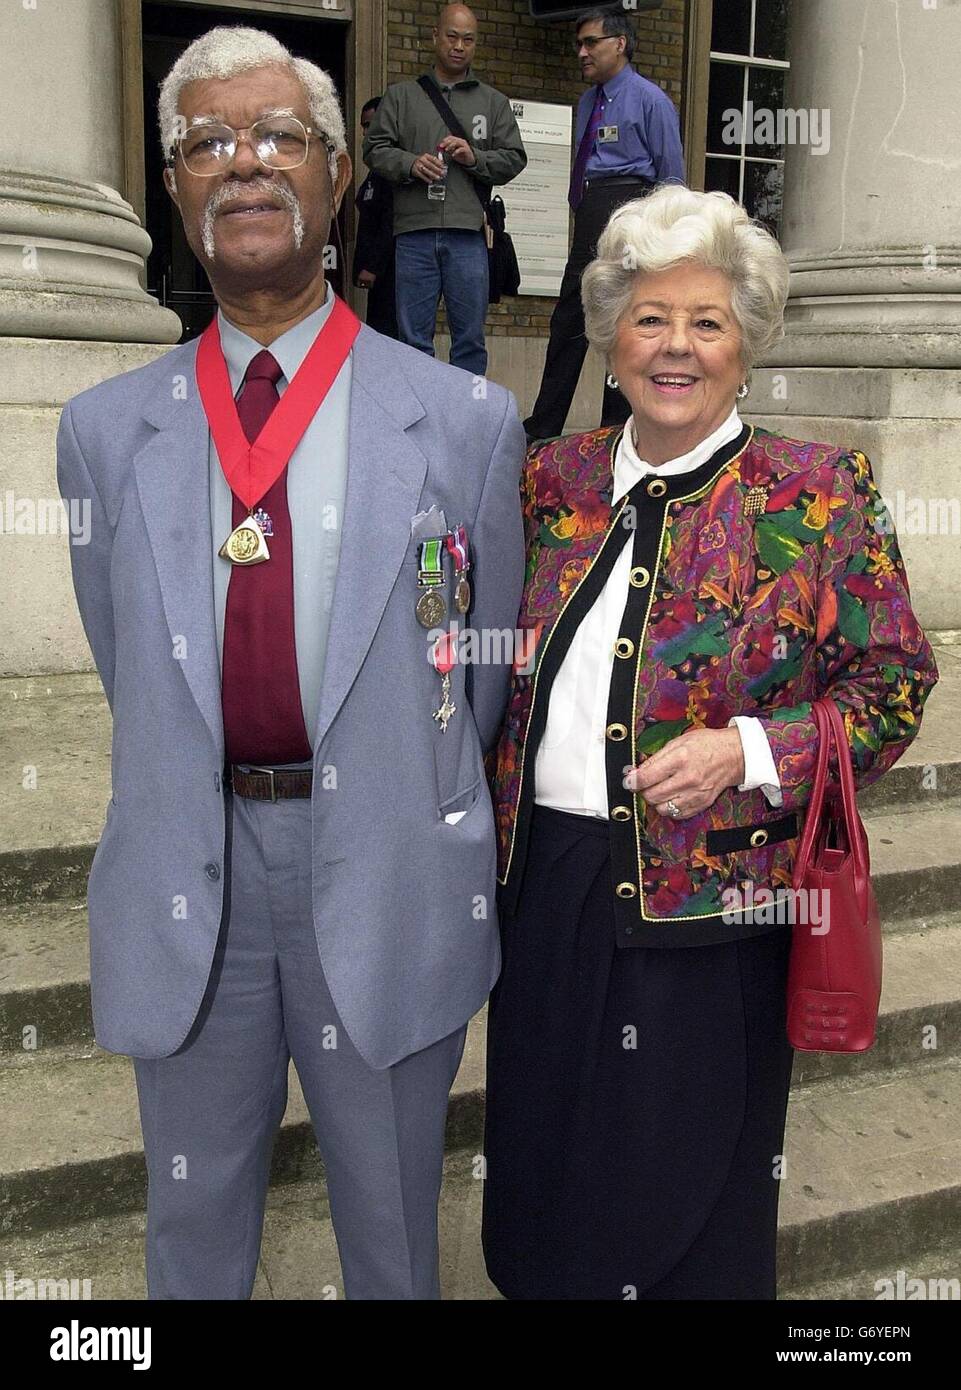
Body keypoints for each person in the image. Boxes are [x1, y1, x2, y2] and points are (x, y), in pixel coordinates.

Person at [56, 24, 525, 1300]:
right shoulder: (103, 432)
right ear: (175, 188)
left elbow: (472, 678)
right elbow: (128, 657)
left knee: (391, 1238)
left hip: (382, 869)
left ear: (335, 177)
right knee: (189, 1237)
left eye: (277, 138)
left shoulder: (466, 424)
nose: (243, 165)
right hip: (192, 876)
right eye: (207, 143)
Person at [482, 185, 938, 1300]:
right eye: (648, 318)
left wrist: (748, 747)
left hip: (715, 912)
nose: (673, 346)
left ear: (746, 348)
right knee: (543, 1171)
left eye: (705, 321)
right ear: (609, 336)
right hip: (545, 888)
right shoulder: (555, 480)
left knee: (684, 1195)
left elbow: (891, 683)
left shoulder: (817, 493)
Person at [523, 8, 685, 445]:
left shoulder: (650, 100)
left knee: (625, 319)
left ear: (620, 43)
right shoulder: (587, 101)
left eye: (591, 42)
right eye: (579, 44)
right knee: (569, 318)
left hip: (632, 208)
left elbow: (672, 178)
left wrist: (661, 240)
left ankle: (615, 427)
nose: (582, 52)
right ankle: (544, 423)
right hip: (592, 209)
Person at [363, 3, 527, 375]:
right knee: (412, 340)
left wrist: (474, 158)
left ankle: (467, 422)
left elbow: (515, 158)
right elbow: (374, 149)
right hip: (413, 234)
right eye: (452, 36)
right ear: (435, 36)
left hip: (468, 234)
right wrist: (410, 164)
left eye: (468, 40)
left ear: (475, 45)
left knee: (469, 340)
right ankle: (419, 422)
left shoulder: (493, 101)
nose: (459, 46)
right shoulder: (401, 97)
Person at [352, 96, 399, 339]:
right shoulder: (376, 170)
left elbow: (390, 221)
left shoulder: (394, 169)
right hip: (379, 278)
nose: (366, 132)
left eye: (372, 125)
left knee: (388, 335)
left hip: (393, 274)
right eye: (364, 126)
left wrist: (372, 267)